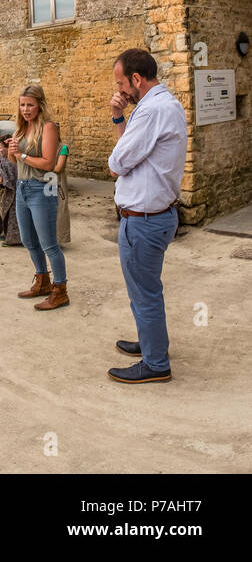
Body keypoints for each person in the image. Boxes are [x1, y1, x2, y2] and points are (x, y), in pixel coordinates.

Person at [106, 49, 185, 384]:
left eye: (122, 83)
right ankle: (152, 343)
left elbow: (117, 163)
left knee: (145, 292)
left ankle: (155, 363)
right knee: (146, 289)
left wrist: (120, 122)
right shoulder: (166, 104)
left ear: (137, 79)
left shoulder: (151, 111)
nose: (121, 90)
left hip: (144, 220)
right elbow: (130, 155)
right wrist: (118, 116)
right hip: (154, 216)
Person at [5, 85, 68, 311]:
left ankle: (60, 290)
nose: (26, 109)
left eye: (30, 104)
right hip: (22, 186)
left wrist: (21, 154)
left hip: (44, 187)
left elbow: (48, 164)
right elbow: (16, 162)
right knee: (28, 240)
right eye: (22, 105)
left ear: (39, 105)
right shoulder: (21, 129)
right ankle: (43, 281)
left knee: (49, 244)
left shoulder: (48, 128)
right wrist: (11, 153)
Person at [0, 130, 21, 246]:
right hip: (4, 192)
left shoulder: (12, 162)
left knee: (13, 217)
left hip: (14, 193)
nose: (0, 150)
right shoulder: (2, 160)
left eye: (2, 147)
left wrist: (3, 181)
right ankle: (5, 234)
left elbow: (13, 180)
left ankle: (14, 239)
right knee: (4, 215)